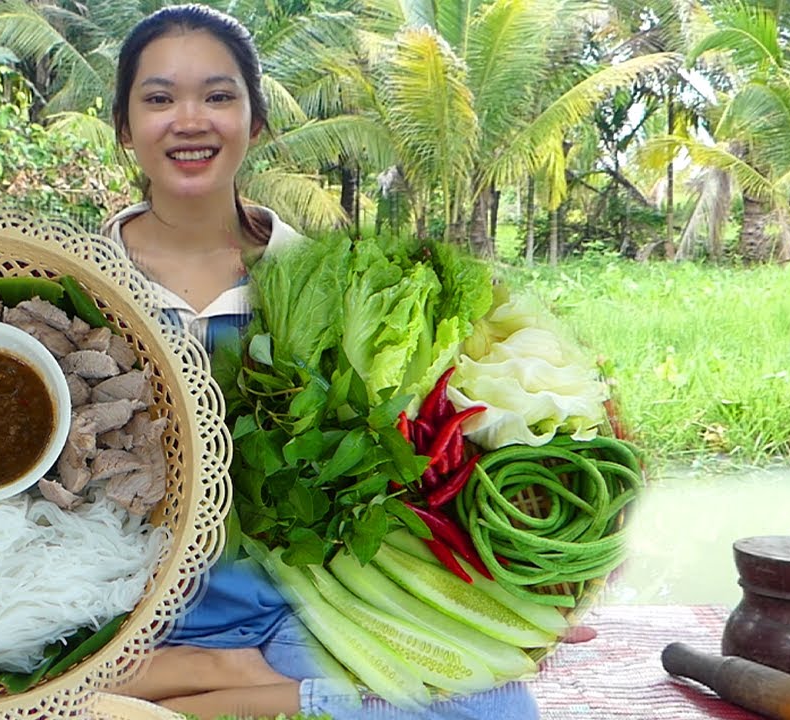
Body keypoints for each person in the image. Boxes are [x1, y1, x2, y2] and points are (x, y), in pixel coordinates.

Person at [103, 5, 541, 720]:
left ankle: (242, 687)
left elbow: (425, 456)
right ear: (125, 126)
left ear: (257, 121)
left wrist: (520, 591)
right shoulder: (72, 287)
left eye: (218, 96)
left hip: (293, 618)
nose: (189, 120)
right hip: (119, 621)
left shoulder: (326, 278)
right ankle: (215, 683)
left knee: (495, 708)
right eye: (159, 99)